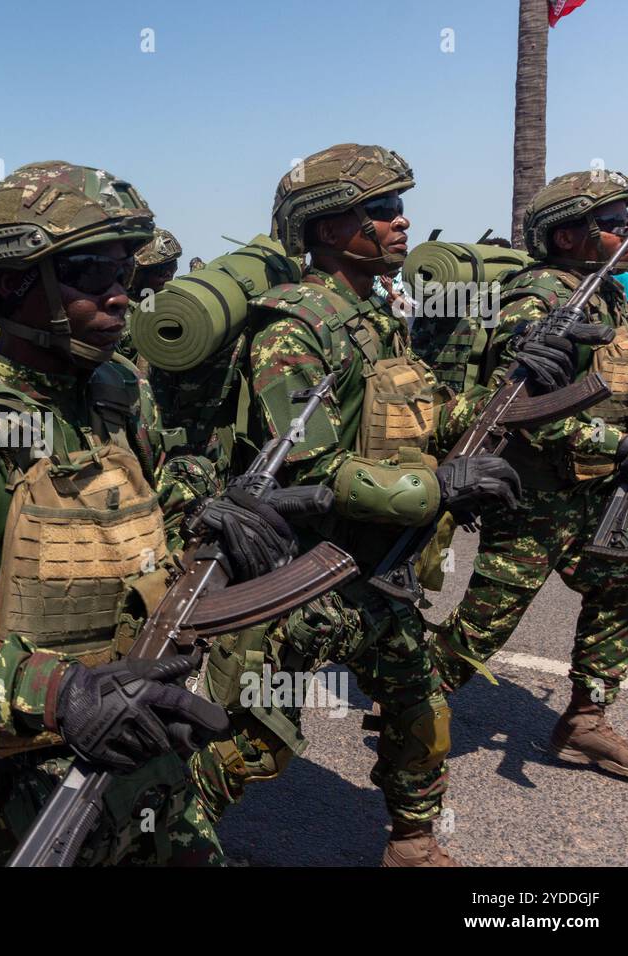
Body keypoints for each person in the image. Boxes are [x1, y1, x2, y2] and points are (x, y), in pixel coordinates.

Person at [0, 160, 285, 866]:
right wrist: (64, 697)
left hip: (141, 743)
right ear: (12, 282)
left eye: (127, 274)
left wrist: (213, 519)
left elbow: (154, 511)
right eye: (93, 274)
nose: (123, 297)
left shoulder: (119, 391)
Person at [202, 144, 529, 865]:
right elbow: (313, 465)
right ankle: (149, 835)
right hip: (307, 576)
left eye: (396, 208)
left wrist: (513, 389)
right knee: (253, 745)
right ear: (325, 228)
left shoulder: (374, 316)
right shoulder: (292, 328)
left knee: (419, 707)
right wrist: (438, 489)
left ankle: (414, 843)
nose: (401, 222)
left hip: (379, 569)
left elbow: (424, 417)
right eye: (380, 210)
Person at [429, 169, 628, 778]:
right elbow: (516, 410)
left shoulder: (608, 293)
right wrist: (619, 446)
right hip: (533, 495)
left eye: (626, 219)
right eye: (610, 224)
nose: (626, 232)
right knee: (484, 626)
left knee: (625, 587)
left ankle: (584, 722)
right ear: (567, 237)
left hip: (589, 490)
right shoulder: (540, 300)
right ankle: (409, 707)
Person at [119, 227, 182, 366]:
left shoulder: (174, 306)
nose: (168, 275)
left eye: (172, 266)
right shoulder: (115, 314)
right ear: (134, 272)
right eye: (160, 270)